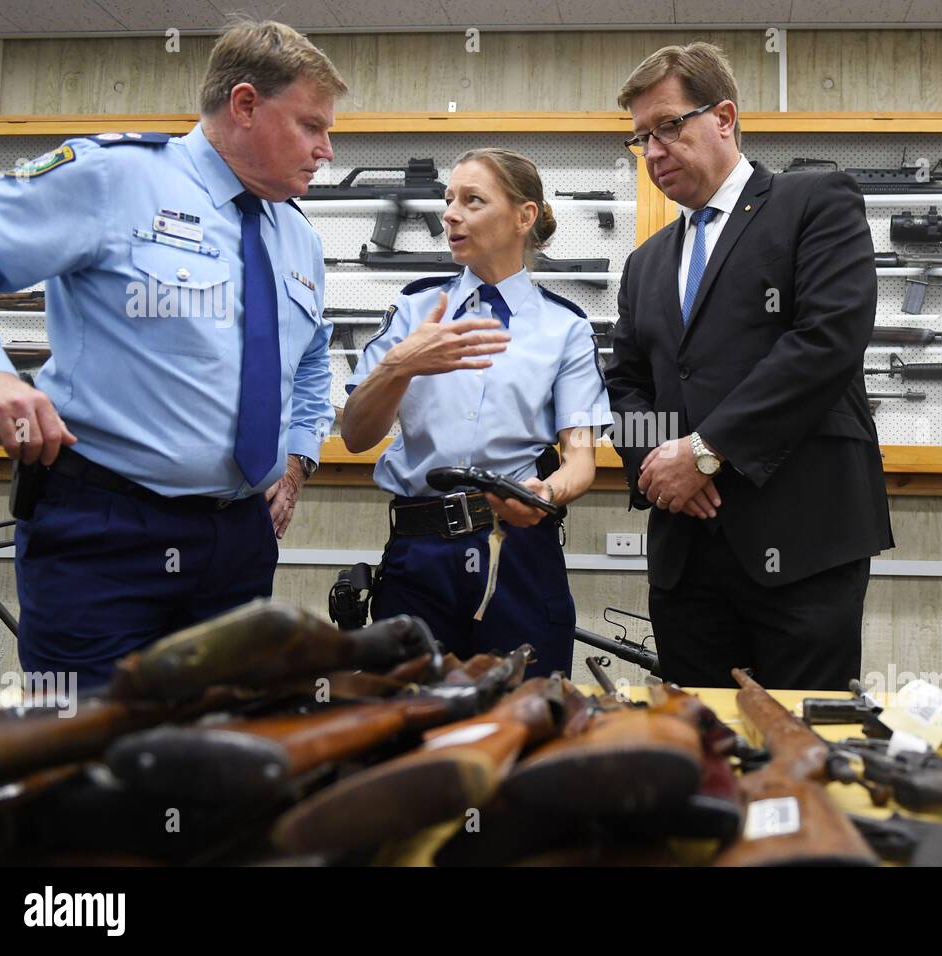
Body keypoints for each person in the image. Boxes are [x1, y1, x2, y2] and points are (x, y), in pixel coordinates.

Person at [0, 20, 346, 688]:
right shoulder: (114, 178)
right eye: (311, 126)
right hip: (106, 532)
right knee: (86, 760)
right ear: (244, 105)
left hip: (238, 543)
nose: (326, 149)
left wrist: (295, 458)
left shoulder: (296, 235)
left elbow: (312, 355)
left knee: (218, 758)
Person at [604, 42, 894, 690]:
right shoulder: (645, 262)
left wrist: (707, 450)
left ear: (725, 117)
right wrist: (658, 466)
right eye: (640, 138)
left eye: (668, 127)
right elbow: (624, 384)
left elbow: (827, 340)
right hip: (686, 557)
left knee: (803, 751)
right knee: (702, 751)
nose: (652, 152)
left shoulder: (816, 201)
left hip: (802, 544)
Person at [341, 148, 611, 678]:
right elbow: (355, 434)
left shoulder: (566, 328)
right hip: (418, 556)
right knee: (408, 722)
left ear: (524, 216)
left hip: (517, 552)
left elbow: (580, 458)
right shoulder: (416, 310)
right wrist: (400, 364)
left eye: (472, 200)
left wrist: (548, 494)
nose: (450, 214)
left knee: (527, 718)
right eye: (447, 201)